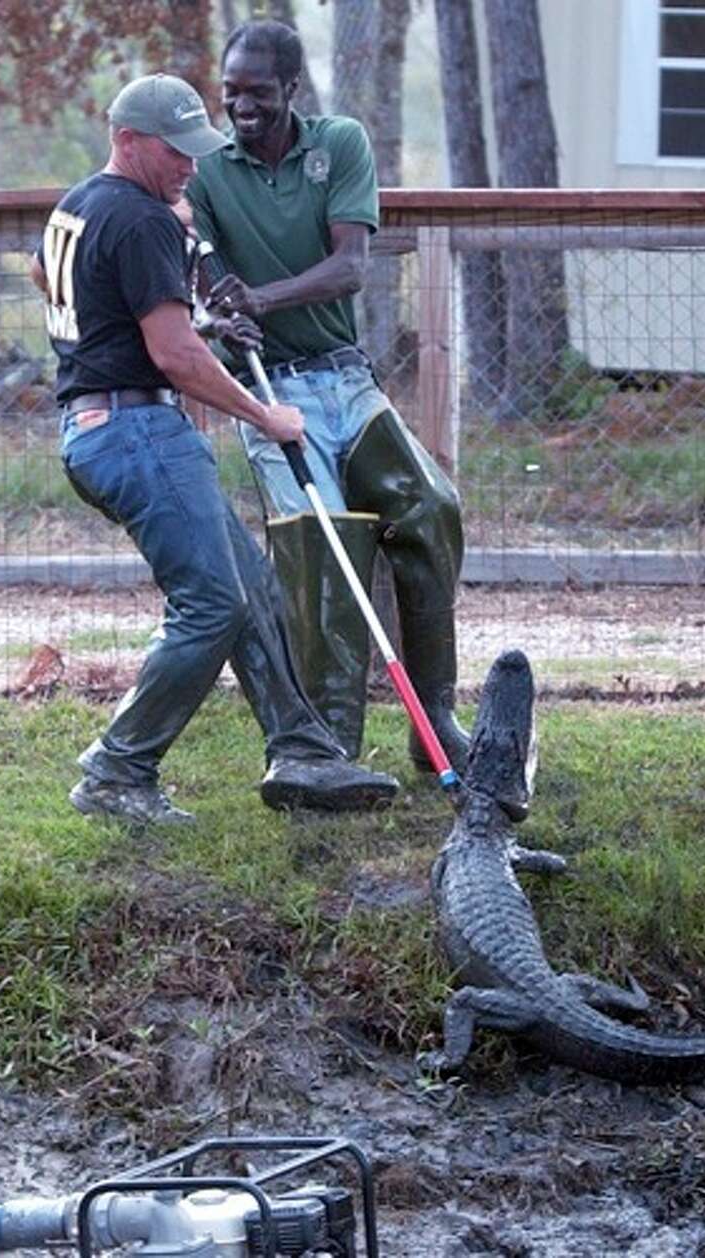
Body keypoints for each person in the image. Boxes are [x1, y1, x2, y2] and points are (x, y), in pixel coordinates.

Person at [31, 72, 399, 825]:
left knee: (251, 587)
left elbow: (63, 284)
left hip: (102, 426)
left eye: (198, 152)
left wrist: (196, 326)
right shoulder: (141, 219)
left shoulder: (77, 206)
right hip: (136, 432)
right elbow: (172, 358)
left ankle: (301, 750)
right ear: (127, 141)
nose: (191, 167)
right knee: (211, 603)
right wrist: (267, 416)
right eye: (175, 153)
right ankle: (117, 769)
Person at [184, 19, 470, 774]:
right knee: (321, 546)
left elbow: (350, 267)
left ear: (291, 89)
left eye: (256, 92)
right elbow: (204, 288)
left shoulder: (338, 143)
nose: (240, 107)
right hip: (270, 391)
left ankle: (432, 719)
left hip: (346, 379)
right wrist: (219, 310)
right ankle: (328, 748)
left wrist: (261, 296)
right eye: (230, 93)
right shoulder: (207, 172)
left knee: (429, 507)